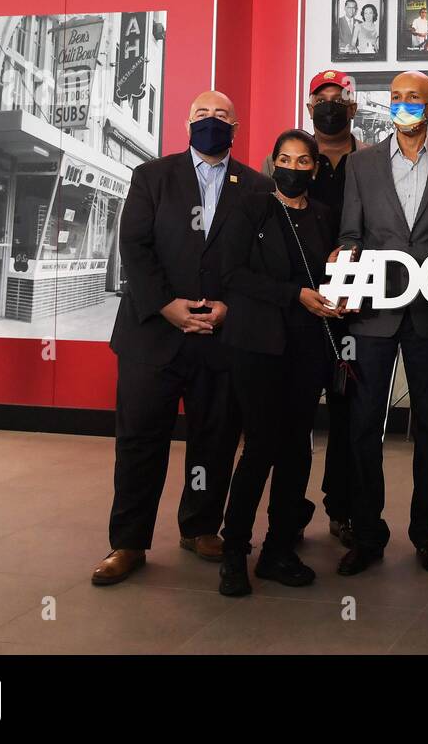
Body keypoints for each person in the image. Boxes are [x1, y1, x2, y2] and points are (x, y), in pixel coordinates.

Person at [93, 91, 275, 586]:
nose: (211, 121)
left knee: (214, 440)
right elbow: (134, 244)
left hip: (220, 336)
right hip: (152, 334)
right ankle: (127, 541)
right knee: (139, 441)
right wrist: (166, 306)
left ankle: (199, 527)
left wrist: (230, 307)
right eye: (201, 114)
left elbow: (261, 263)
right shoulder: (152, 176)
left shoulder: (258, 187)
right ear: (186, 122)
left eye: (221, 115)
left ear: (236, 125)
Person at [336, 71, 428, 576]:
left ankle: (425, 532)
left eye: (413, 99)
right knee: (364, 423)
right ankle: (368, 533)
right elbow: (351, 232)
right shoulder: (360, 164)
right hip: (373, 313)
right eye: (395, 98)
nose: (403, 106)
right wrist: (344, 260)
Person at [218, 130, 343, 596]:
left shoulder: (325, 217)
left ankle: (278, 549)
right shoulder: (250, 207)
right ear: (273, 164)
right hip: (257, 344)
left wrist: (337, 287)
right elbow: (232, 274)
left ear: (314, 168)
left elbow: (329, 274)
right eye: (285, 159)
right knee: (260, 448)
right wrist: (294, 295)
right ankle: (234, 551)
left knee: (297, 450)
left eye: (303, 160)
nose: (294, 167)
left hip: (307, 347)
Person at [261, 70, 369, 548]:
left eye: (338, 99)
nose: (329, 106)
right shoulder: (287, 159)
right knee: (293, 417)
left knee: (347, 417)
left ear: (352, 106)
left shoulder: (371, 162)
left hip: (352, 307)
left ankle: (341, 509)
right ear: (309, 107)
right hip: (296, 309)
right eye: (320, 99)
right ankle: (289, 512)